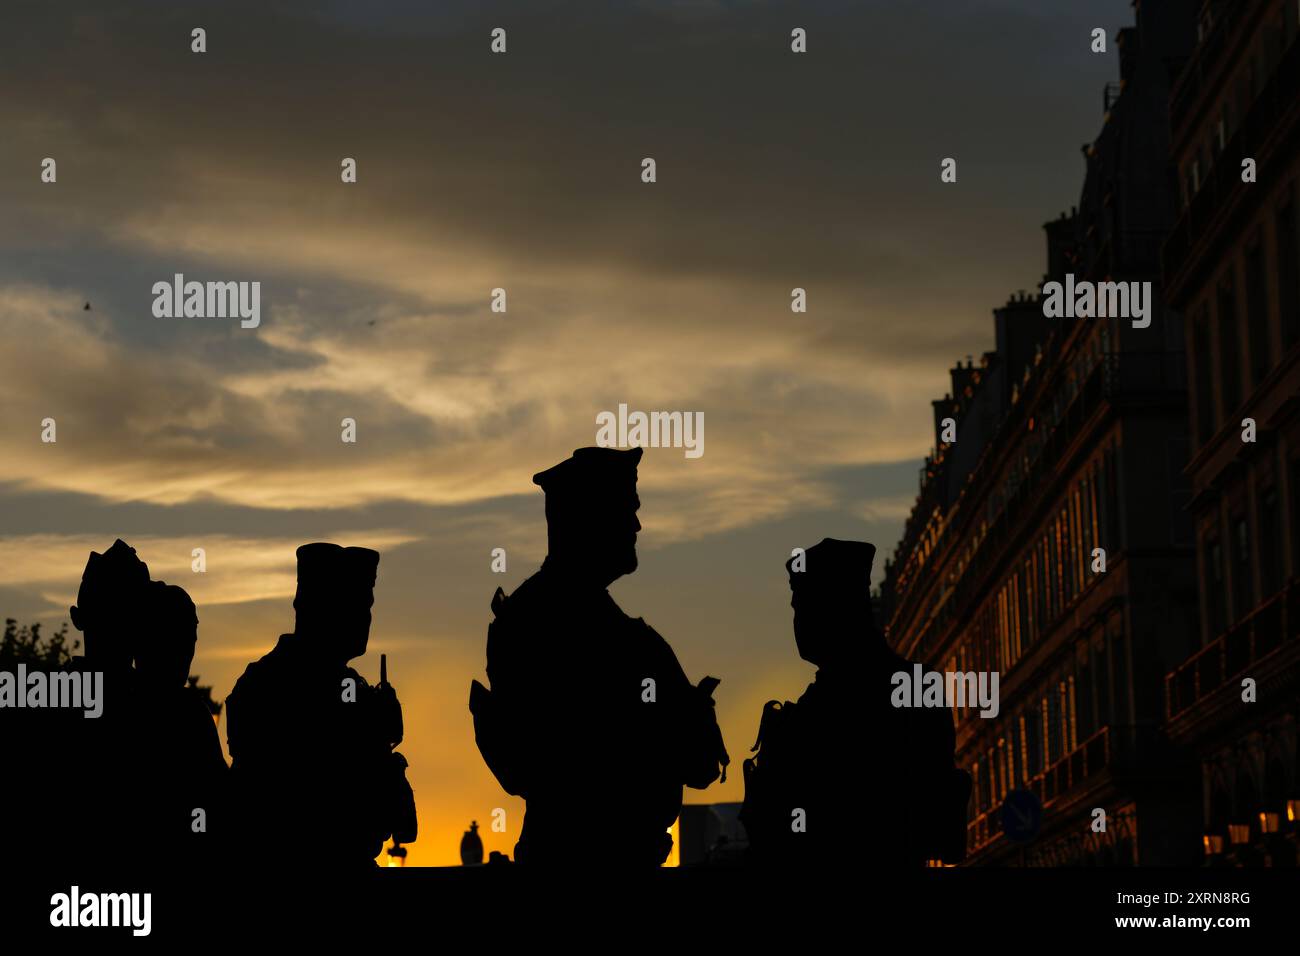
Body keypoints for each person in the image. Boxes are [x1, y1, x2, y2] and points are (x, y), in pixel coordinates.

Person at [470, 447, 728, 866]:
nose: (636, 525)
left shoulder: (621, 637)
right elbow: (539, 764)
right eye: (625, 510)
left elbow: (698, 763)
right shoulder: (548, 628)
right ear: (587, 520)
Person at [739, 537, 970, 866]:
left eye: (801, 605)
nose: (797, 620)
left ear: (837, 607)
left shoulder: (815, 712)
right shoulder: (918, 686)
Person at [226, 543, 416, 870]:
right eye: (355, 605)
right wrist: (375, 740)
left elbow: (402, 824)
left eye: (367, 606)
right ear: (317, 607)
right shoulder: (268, 686)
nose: (365, 619)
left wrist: (383, 744)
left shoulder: (351, 689)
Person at [129, 581, 228, 868]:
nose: (186, 650)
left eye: (192, 637)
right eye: (177, 636)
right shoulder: (186, 714)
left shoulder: (190, 711)